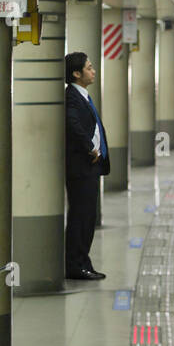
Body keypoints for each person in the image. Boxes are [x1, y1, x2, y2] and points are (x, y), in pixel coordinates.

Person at [64, 52, 109, 280]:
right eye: (89, 68)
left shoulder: (82, 95)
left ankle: (84, 261)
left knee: (87, 216)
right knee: (80, 217)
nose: (93, 71)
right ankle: (75, 265)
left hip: (89, 168)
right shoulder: (72, 96)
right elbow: (72, 123)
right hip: (81, 168)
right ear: (76, 73)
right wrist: (89, 148)